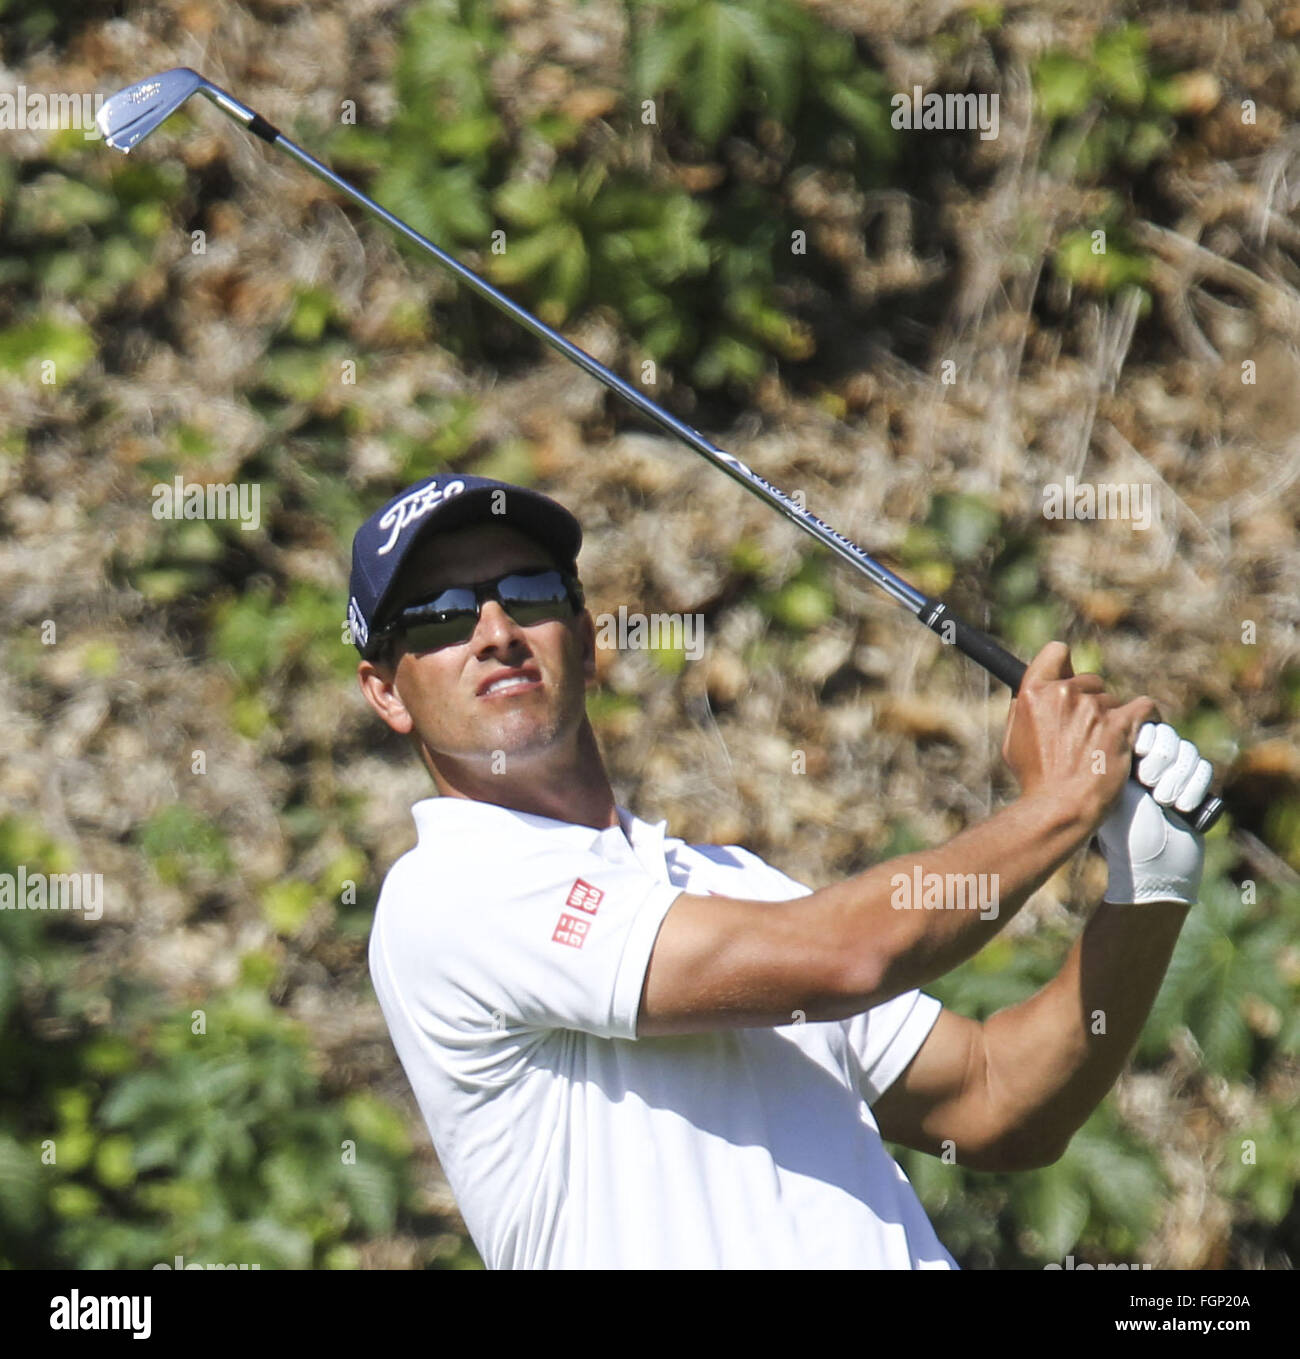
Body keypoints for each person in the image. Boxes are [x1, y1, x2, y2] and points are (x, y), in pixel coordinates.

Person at [349, 472, 1211, 1270]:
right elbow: (845, 959)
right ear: (386, 692)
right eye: (440, 617)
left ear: (582, 636)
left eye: (529, 594)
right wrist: (1058, 804)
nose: (495, 633)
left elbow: (997, 1098)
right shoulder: (447, 892)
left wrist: (1149, 886)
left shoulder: (730, 880)